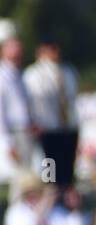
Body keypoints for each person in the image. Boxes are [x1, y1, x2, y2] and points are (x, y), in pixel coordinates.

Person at [23, 39, 78, 199]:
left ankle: (66, 194)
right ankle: (51, 195)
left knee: (67, 166)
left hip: (67, 126)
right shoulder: (34, 74)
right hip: (47, 127)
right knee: (50, 166)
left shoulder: (67, 71)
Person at [0, 28, 35, 181]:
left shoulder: (20, 75)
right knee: (20, 178)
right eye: (13, 47)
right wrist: (7, 142)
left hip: (26, 132)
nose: (18, 51)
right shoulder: (3, 77)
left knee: (27, 176)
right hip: (14, 132)